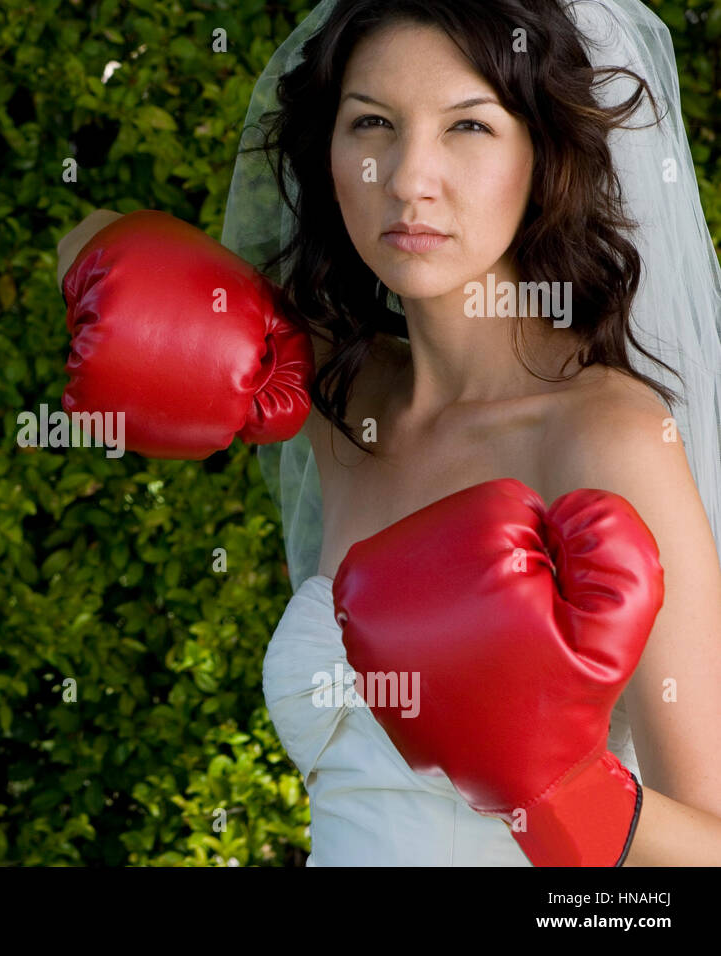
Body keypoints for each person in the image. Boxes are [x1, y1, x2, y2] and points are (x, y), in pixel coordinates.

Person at [57, 0, 721, 865]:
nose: (409, 177)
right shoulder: (342, 392)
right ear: (326, 152)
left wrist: (564, 789)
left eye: (469, 127)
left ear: (543, 153)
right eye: (372, 121)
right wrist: (188, 325)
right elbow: (86, 243)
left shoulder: (608, 440)